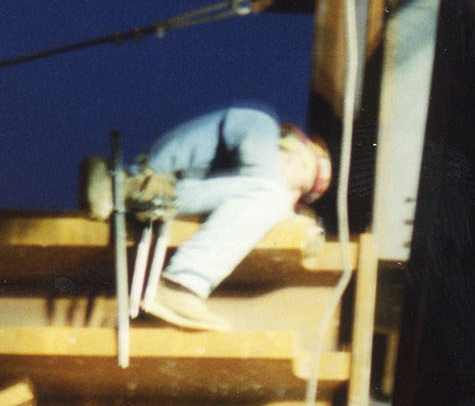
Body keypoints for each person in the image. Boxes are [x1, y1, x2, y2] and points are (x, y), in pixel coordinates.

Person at [80, 105, 332, 332]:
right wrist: (293, 219)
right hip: (150, 185)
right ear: (291, 146)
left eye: (301, 192)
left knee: (271, 199)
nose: (294, 192)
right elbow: (261, 172)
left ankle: (179, 288)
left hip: (173, 194)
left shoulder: (248, 187)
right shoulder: (260, 125)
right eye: (303, 173)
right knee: (271, 196)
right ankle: (179, 287)